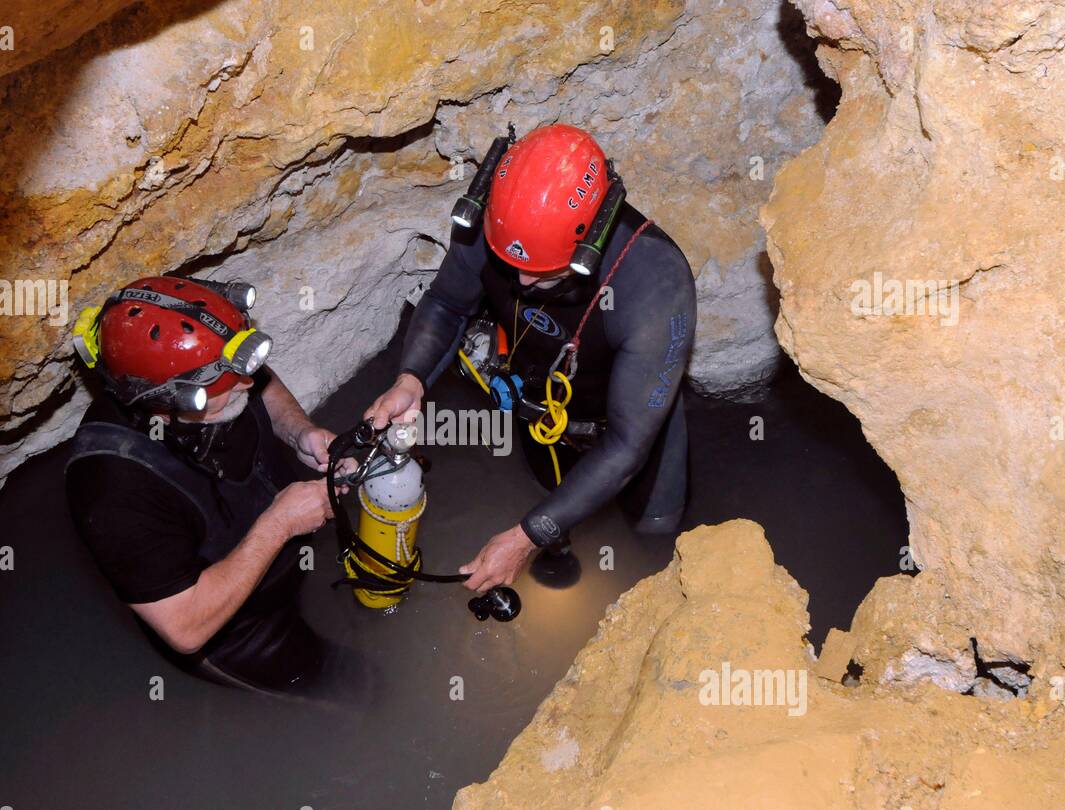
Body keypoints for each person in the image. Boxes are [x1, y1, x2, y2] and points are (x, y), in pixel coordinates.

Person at [364, 124, 697, 593]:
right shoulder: (496, 224)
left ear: (589, 245)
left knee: (656, 534)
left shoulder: (655, 285)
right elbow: (445, 303)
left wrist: (524, 538)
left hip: (629, 431)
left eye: (541, 273)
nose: (519, 283)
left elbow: (627, 446)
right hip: (539, 407)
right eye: (511, 264)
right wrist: (411, 380)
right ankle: (557, 547)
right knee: (548, 494)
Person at [65, 275, 364, 701]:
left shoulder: (216, 378)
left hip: (280, 557)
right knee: (358, 691)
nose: (249, 384)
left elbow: (258, 382)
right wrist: (279, 525)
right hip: (235, 631)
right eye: (225, 387)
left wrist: (302, 433)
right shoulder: (113, 489)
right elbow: (185, 627)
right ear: (169, 404)